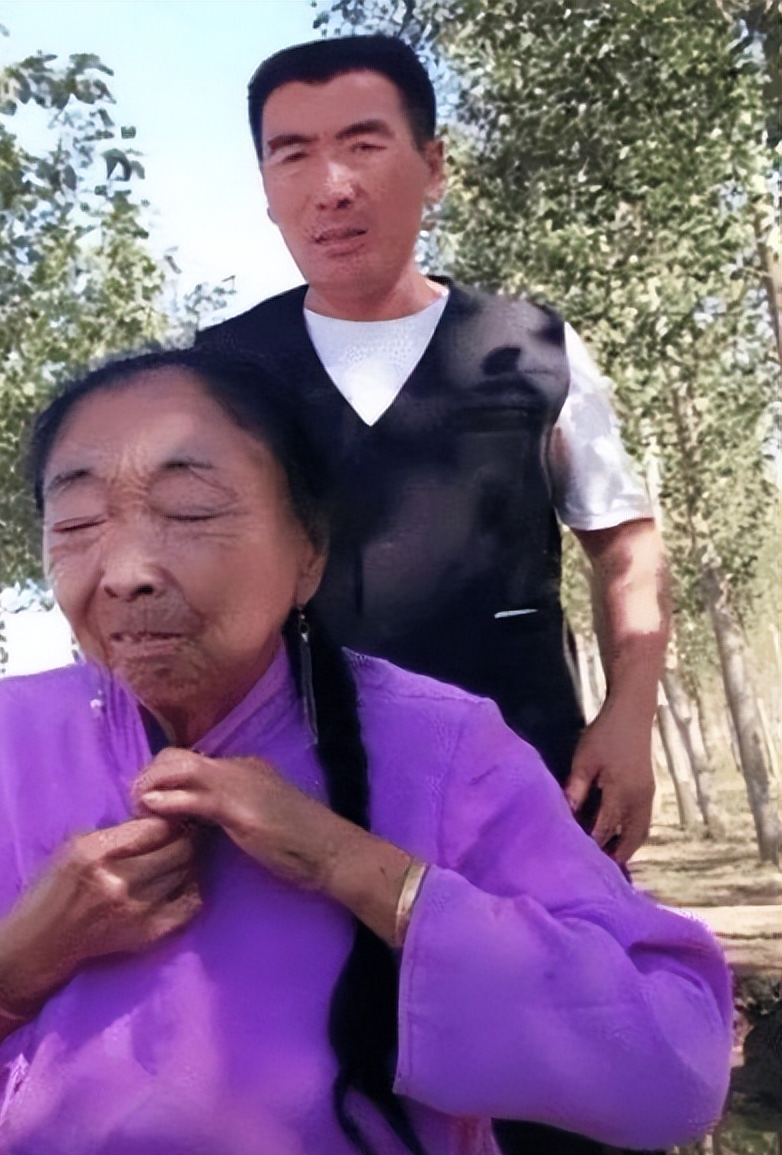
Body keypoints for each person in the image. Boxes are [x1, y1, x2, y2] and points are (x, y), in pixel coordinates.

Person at [0, 350, 729, 1155]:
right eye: (74, 527)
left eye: (188, 511)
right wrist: (13, 965)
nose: (125, 570)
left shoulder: (443, 749)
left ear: (308, 552)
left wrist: (359, 870)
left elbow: (672, 1067)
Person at [197, 35, 670, 871]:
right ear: (267, 192)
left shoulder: (532, 349)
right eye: (294, 156)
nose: (332, 187)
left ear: (435, 165)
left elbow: (625, 547)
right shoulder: (222, 372)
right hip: (296, 806)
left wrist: (628, 721)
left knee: (537, 996)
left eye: (364, 145)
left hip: (530, 787)